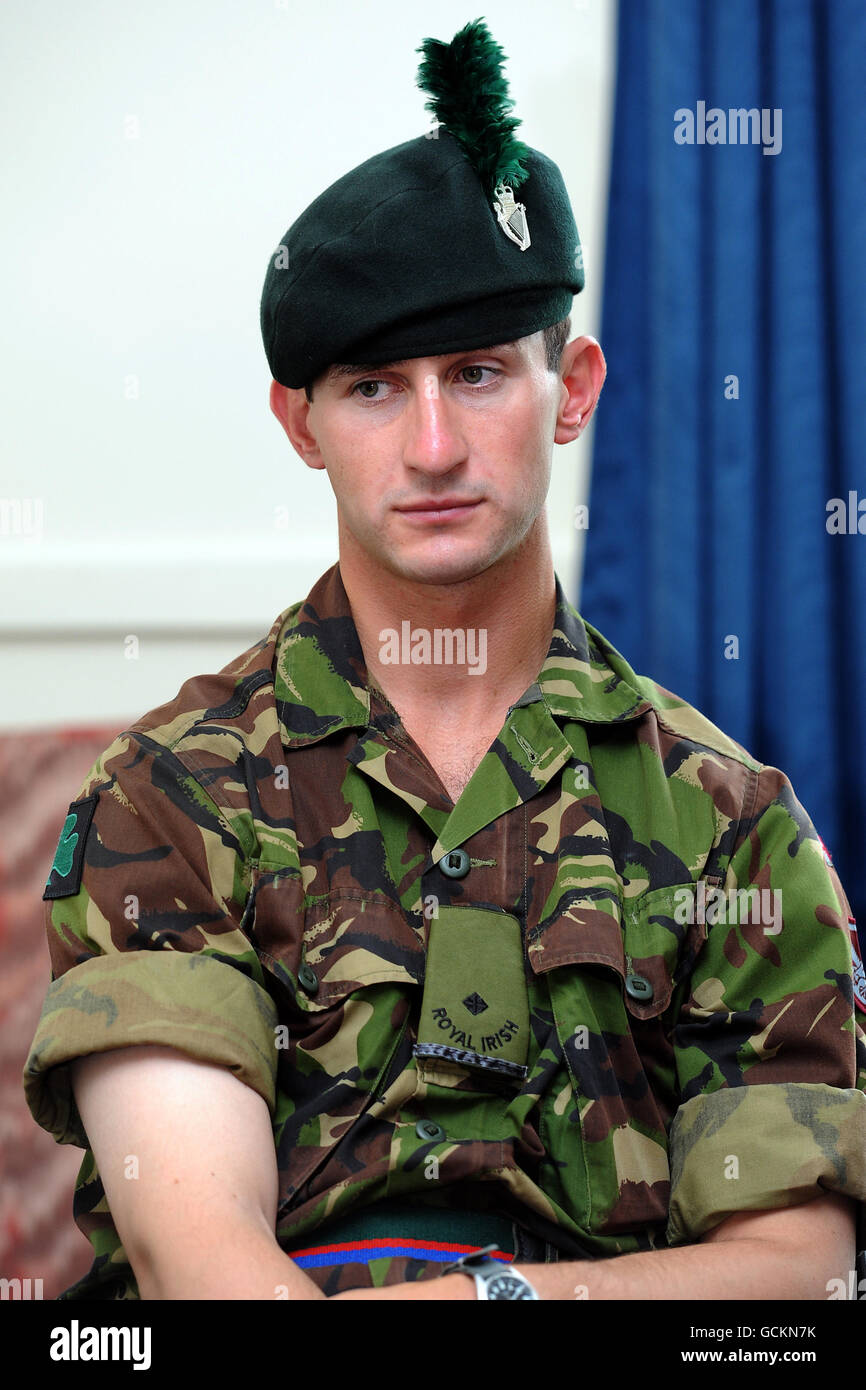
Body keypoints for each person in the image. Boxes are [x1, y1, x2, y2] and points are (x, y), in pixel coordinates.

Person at [24, 19, 866, 1301]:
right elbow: (204, 1264)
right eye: (372, 388)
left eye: (476, 375)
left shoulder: (729, 825)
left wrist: (497, 1305)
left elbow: (793, 1275)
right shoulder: (170, 797)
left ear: (570, 388)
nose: (429, 447)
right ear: (299, 423)